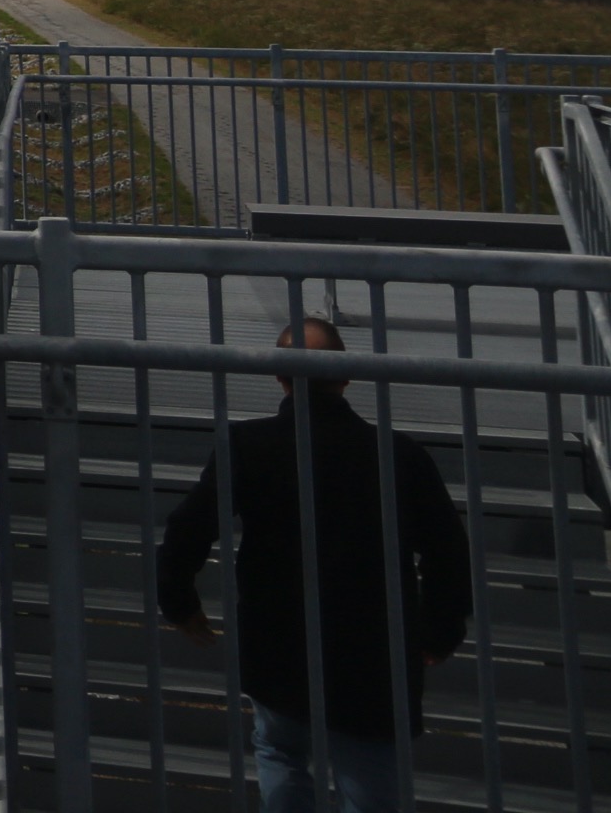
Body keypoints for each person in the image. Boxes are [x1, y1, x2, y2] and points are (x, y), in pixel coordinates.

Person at [157, 317, 473, 813]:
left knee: (279, 749)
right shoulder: (398, 455)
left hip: (279, 642)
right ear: (347, 375)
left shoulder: (249, 446)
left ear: (280, 378)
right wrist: (440, 629)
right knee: (369, 775)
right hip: (372, 653)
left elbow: (189, 524)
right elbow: (446, 549)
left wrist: (179, 601)